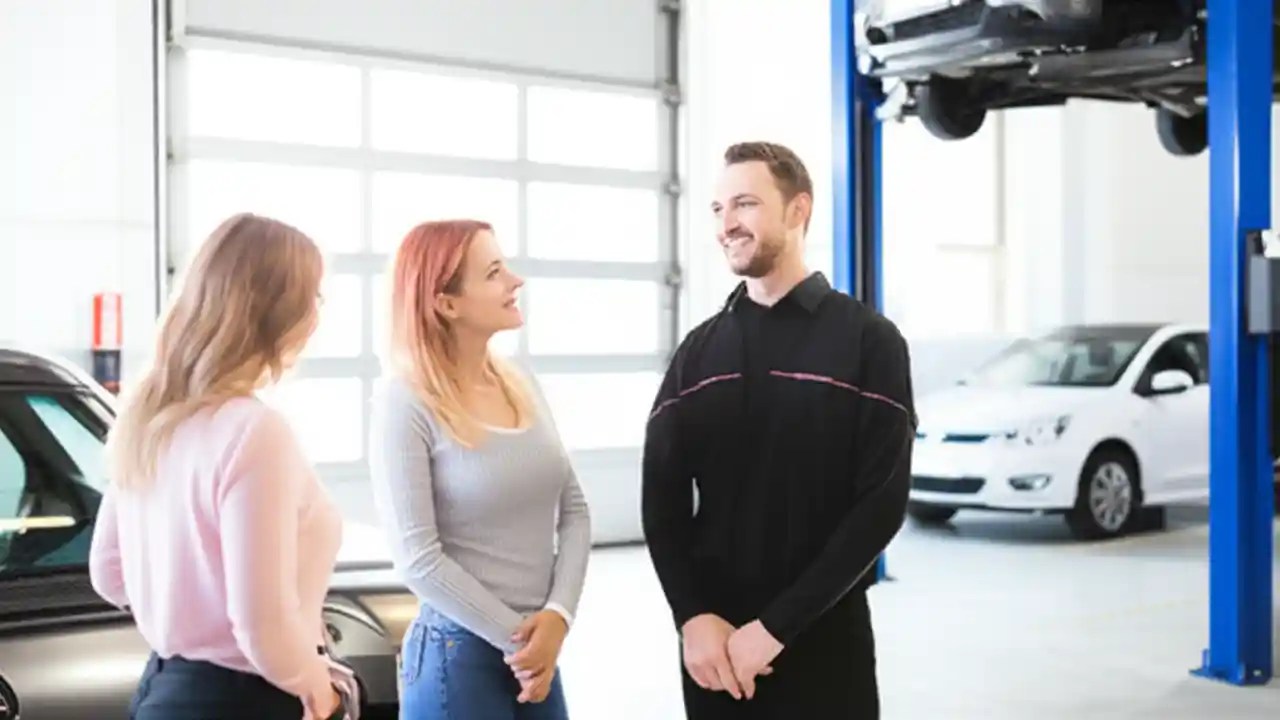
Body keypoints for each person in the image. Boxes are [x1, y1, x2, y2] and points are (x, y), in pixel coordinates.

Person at [641, 142, 916, 719]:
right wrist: (691, 618)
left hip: (825, 643)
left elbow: (881, 505)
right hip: (716, 652)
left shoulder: (868, 341)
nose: (727, 224)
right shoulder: (698, 352)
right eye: (718, 209)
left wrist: (775, 628)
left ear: (798, 210)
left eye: (745, 204)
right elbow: (661, 499)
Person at [88, 213, 347, 720]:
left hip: (165, 688)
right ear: (277, 311)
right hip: (246, 697)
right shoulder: (254, 431)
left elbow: (108, 573)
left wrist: (182, 615)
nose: (317, 316)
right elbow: (261, 624)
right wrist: (320, 687)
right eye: (313, 298)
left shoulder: (149, 418)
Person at [368, 219, 591, 720]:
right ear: (447, 304)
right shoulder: (403, 402)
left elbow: (575, 510)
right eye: (494, 272)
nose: (516, 280)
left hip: (535, 651)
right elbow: (418, 559)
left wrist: (557, 618)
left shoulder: (521, 382)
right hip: (459, 656)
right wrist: (523, 642)